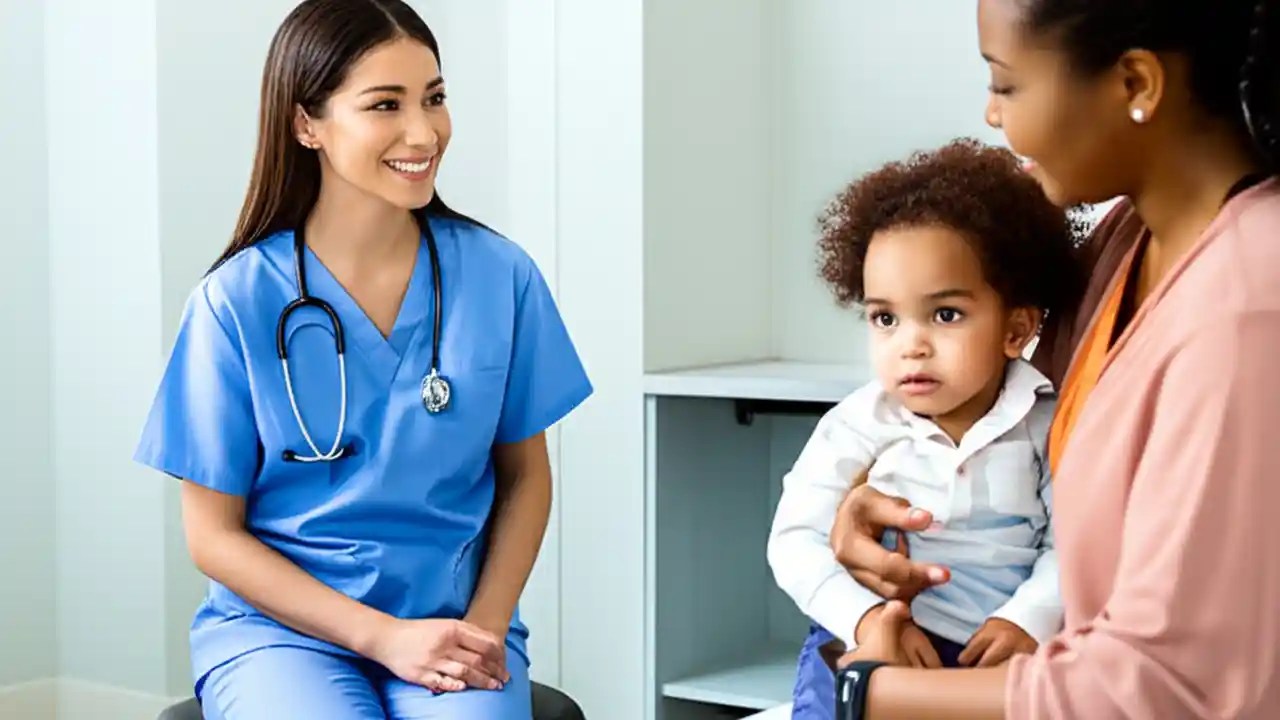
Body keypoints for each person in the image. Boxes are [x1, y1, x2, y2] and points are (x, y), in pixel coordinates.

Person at [132, 1, 592, 718]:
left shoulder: (501, 278)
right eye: (385, 104)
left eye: (434, 99)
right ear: (305, 123)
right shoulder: (236, 302)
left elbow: (526, 477)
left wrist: (486, 628)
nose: (424, 132)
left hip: (451, 621)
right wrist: (380, 636)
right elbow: (213, 536)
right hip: (280, 636)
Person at [829, 0, 1280, 718]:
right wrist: (864, 505)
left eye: (1006, 84)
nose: (993, 115)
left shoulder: (1249, 308)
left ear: (1136, 83)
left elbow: (1163, 686)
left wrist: (872, 692)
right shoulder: (1126, 242)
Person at [768, 138, 1083, 719]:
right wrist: (865, 620)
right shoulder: (861, 422)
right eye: (884, 318)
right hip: (865, 640)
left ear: (1015, 330)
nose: (910, 344)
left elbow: (1072, 544)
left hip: (994, 650)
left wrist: (1027, 618)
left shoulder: (1044, 420)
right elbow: (793, 540)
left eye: (945, 315)